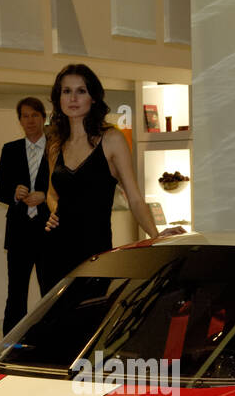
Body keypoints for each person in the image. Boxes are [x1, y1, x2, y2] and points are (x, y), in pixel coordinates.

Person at [41, 63, 183, 293]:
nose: (73, 98)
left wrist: (155, 236)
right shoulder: (56, 145)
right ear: (58, 98)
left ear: (93, 98)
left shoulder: (111, 139)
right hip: (55, 250)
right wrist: (54, 212)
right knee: (56, 326)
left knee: (91, 322)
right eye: (66, 91)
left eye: (81, 91)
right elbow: (51, 193)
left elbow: (134, 198)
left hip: (95, 254)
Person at [0, 96, 51, 334]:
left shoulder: (57, 147)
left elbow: (68, 188)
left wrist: (45, 196)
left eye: (35, 115)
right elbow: (0, 190)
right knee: (16, 293)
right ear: (19, 120)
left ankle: (51, 342)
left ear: (43, 118)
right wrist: (13, 192)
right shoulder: (11, 149)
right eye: (25, 116)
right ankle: (8, 345)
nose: (30, 120)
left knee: (51, 291)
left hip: (49, 231)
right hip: (18, 233)